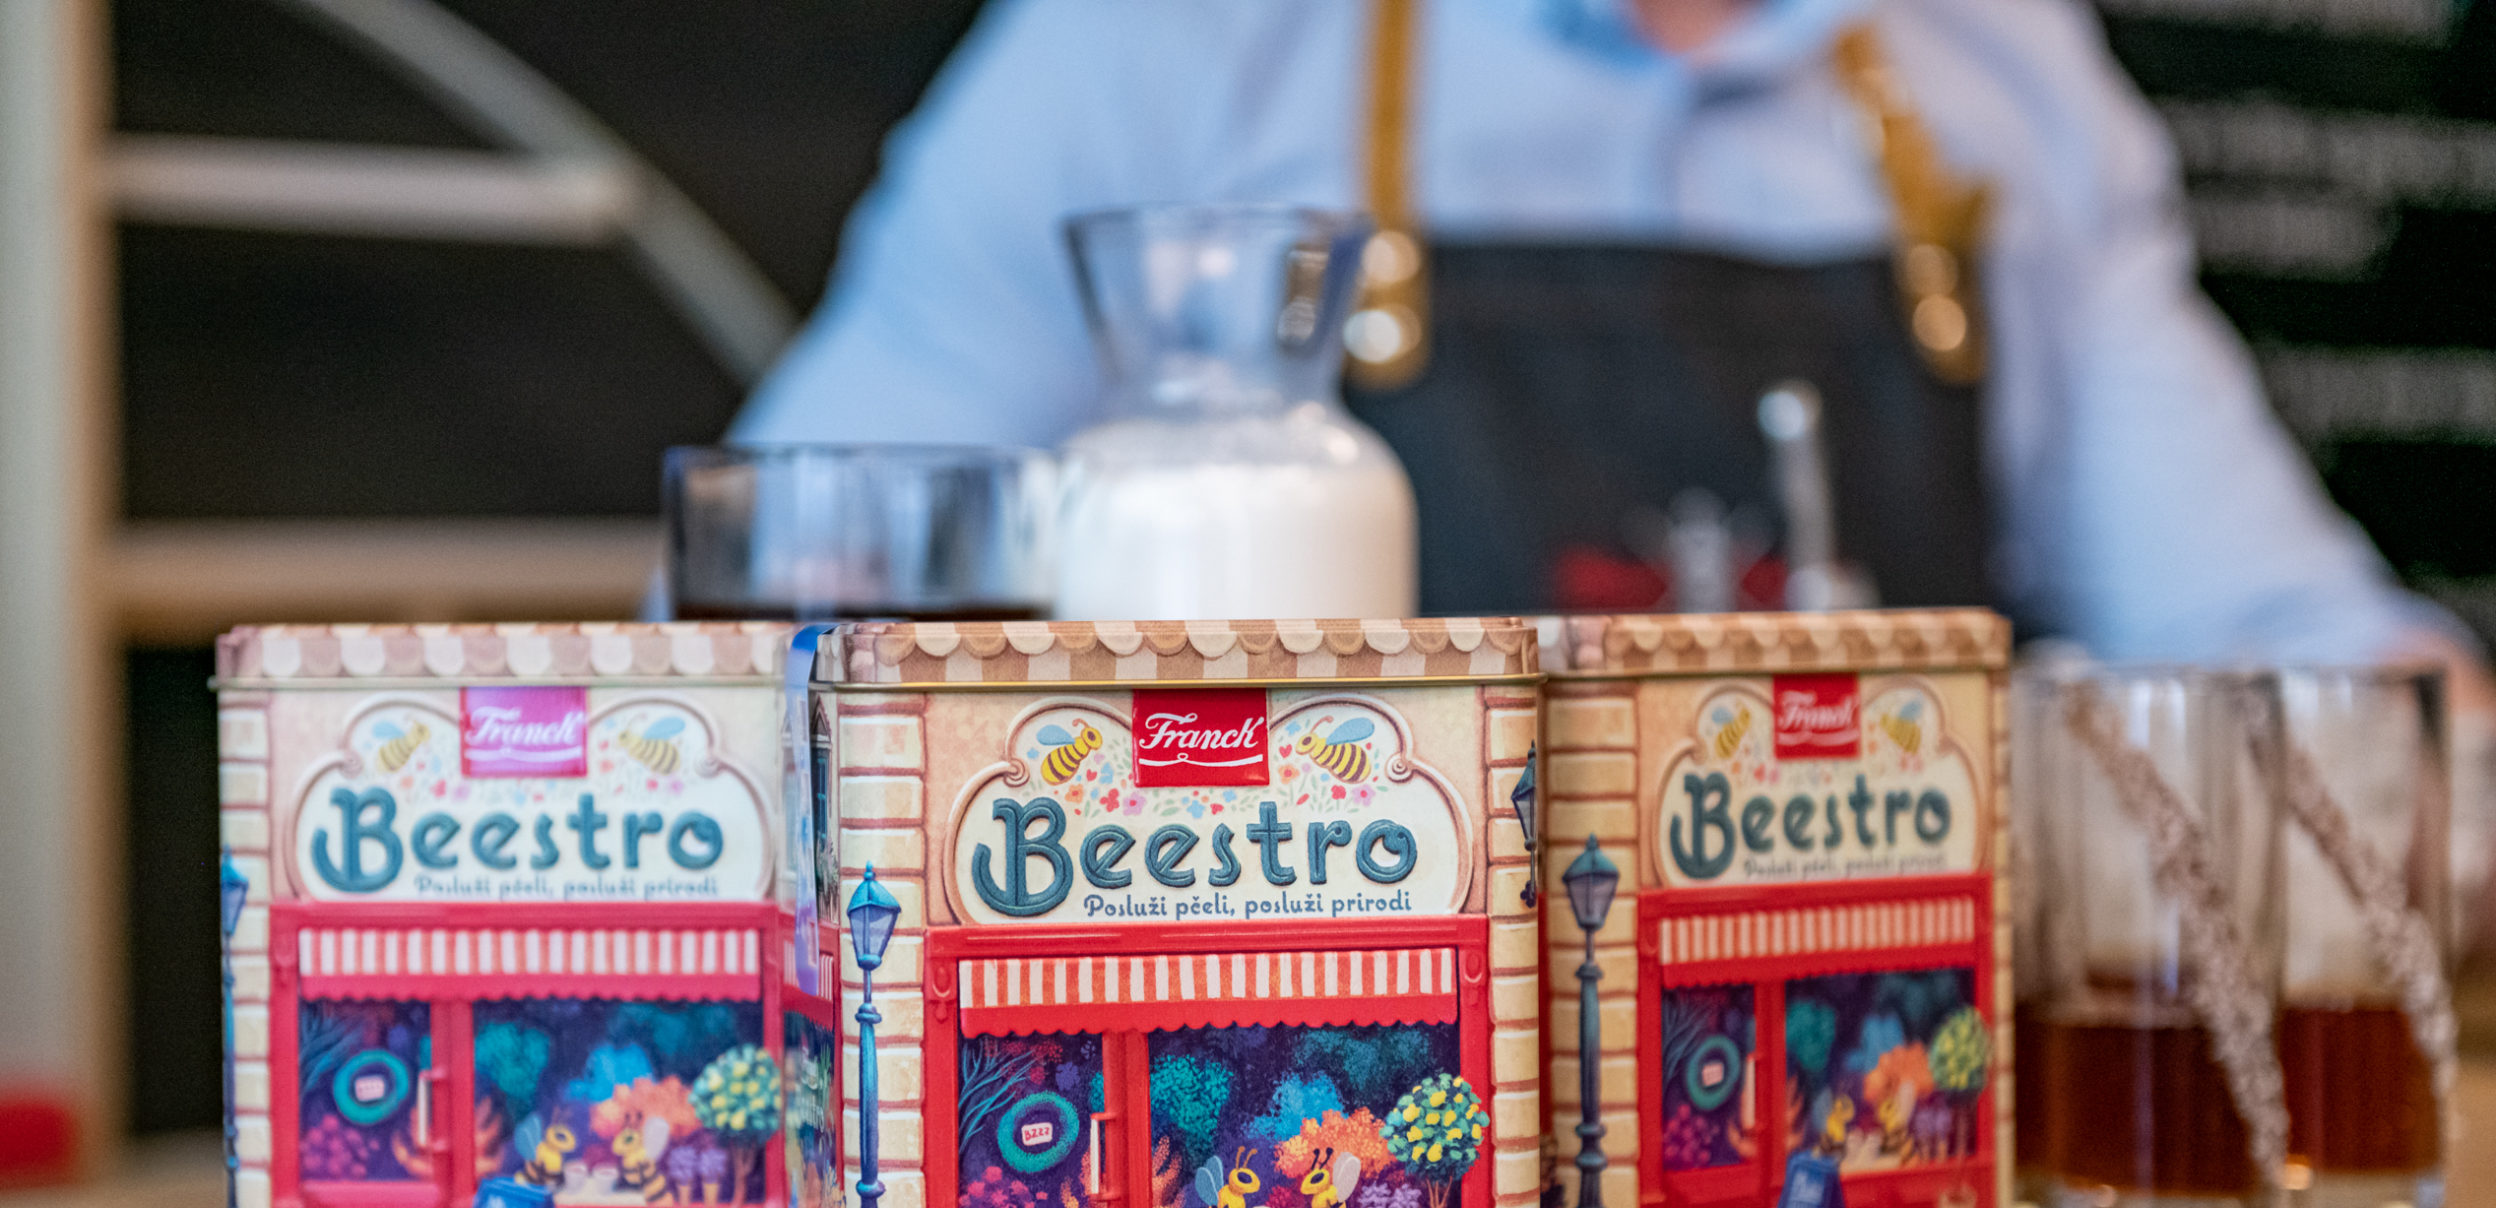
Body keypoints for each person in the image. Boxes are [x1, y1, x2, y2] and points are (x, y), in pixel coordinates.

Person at [734, 0, 2486, 697]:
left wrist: (2413, 756)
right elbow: (803, 621)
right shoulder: (1166, 50)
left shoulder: (1995, 66)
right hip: (1364, 1129)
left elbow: (2288, 657)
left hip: (1883, 1098)